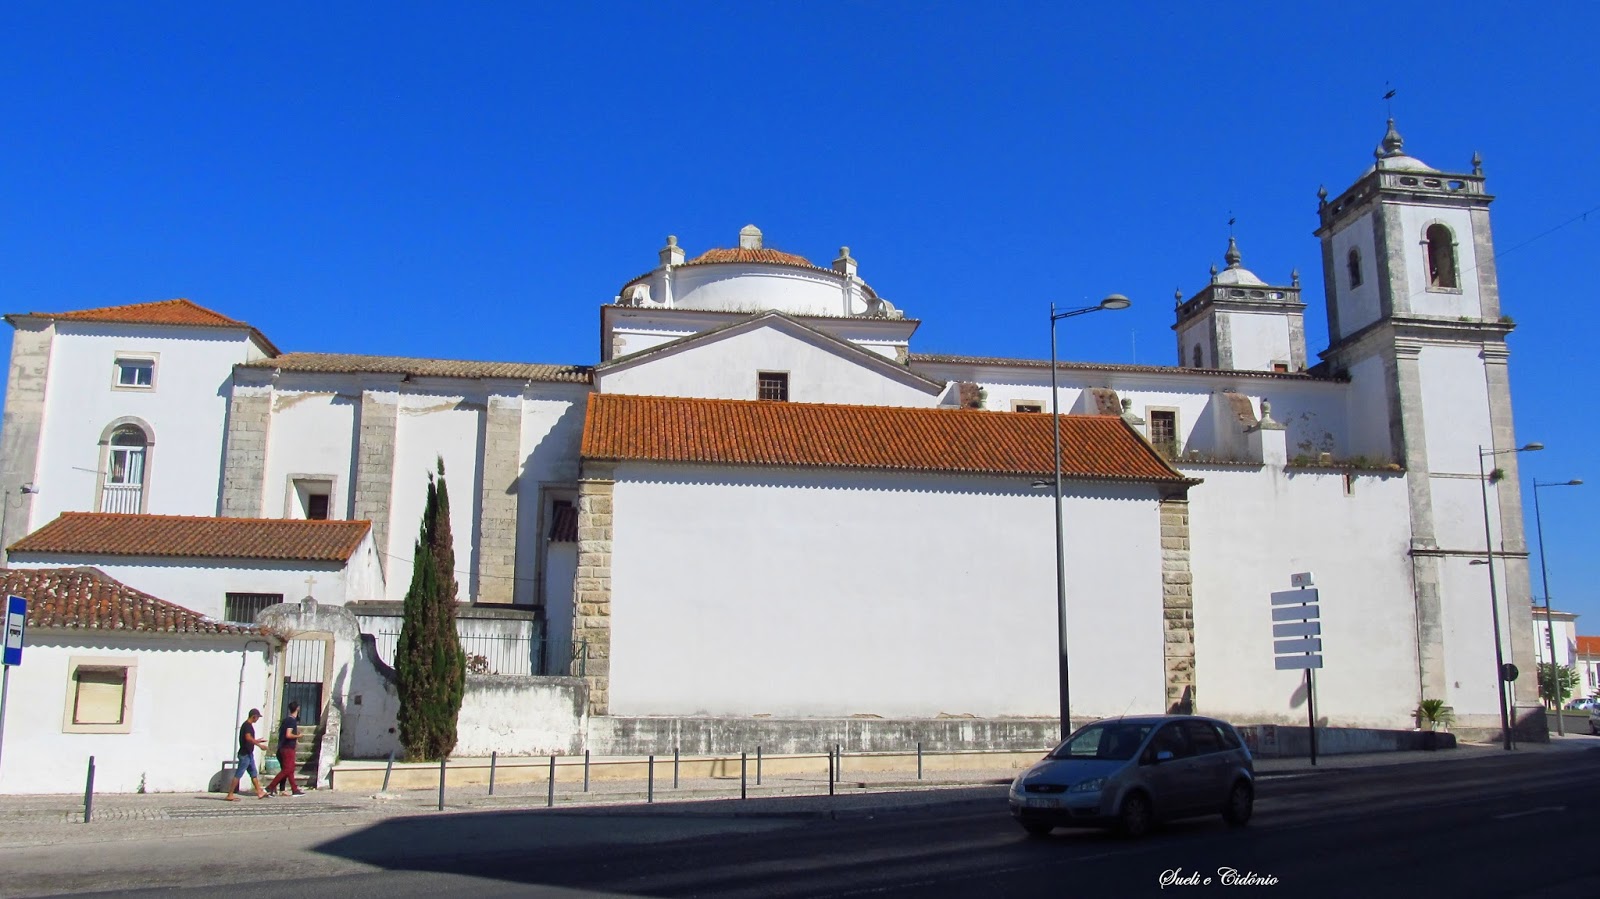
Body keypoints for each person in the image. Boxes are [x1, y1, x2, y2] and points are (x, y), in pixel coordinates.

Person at [225, 708, 270, 801]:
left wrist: (257, 740)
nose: (257, 719)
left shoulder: (247, 726)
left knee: (253, 773)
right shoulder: (247, 726)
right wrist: (259, 745)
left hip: (249, 754)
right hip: (245, 755)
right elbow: (248, 738)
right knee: (239, 774)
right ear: (254, 716)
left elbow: (248, 739)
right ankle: (230, 794)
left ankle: (259, 791)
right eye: (257, 717)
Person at [264, 702, 306, 796]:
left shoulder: (286, 720)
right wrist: (298, 736)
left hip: (283, 747)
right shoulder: (291, 721)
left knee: (289, 770)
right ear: (298, 708)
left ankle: (293, 789)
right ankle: (270, 787)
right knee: (287, 769)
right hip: (287, 748)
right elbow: (288, 734)